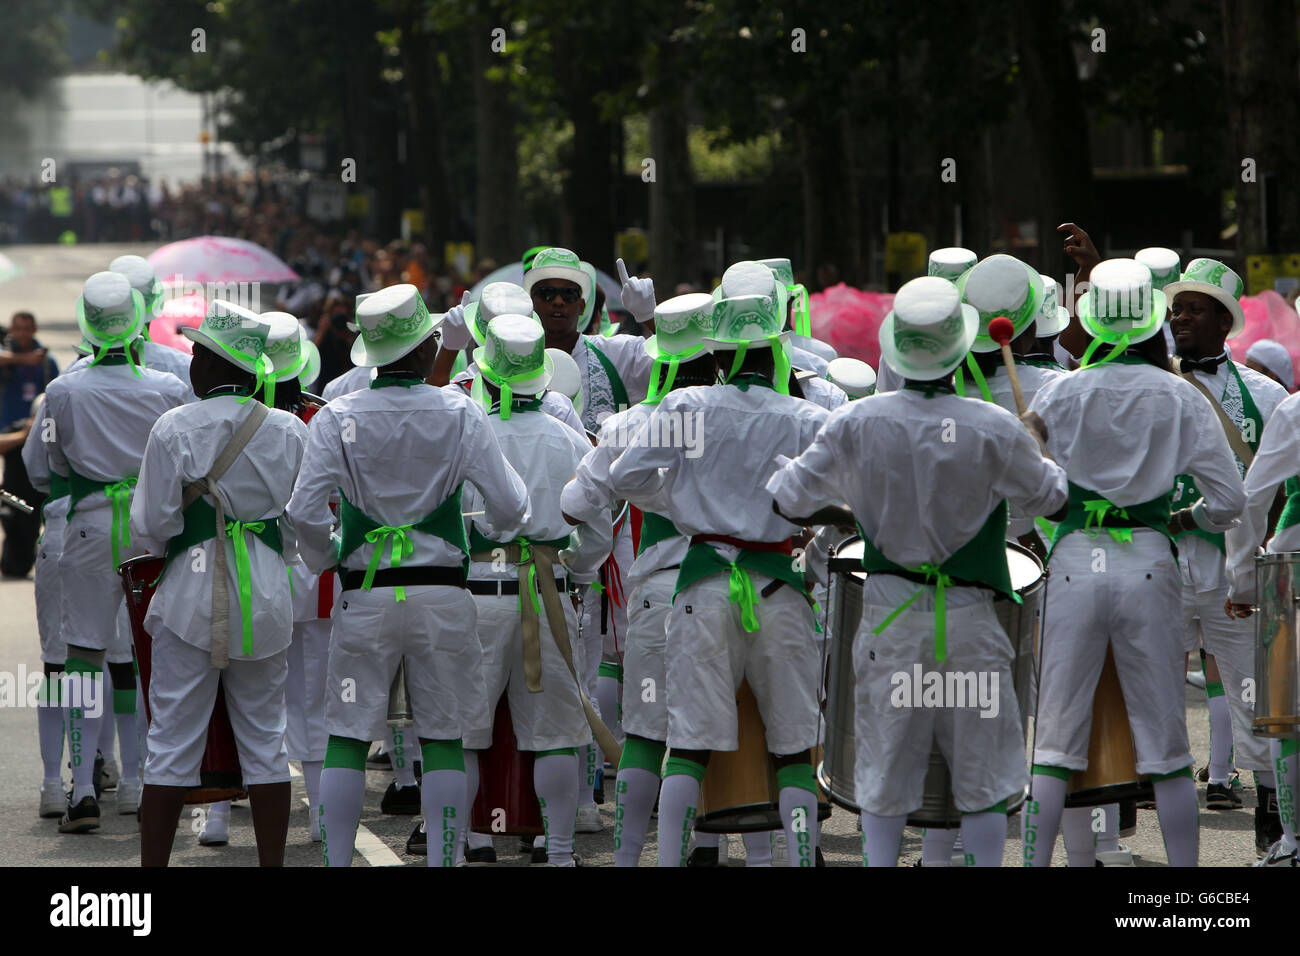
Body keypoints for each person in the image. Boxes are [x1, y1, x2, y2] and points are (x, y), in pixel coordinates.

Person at [770, 275, 1067, 866]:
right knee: (983, 783)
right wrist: (1034, 442)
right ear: (961, 348)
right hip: (973, 622)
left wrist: (854, 512)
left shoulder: (857, 422)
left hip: (890, 619)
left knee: (884, 776)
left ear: (897, 350)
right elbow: (1053, 501)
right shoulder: (991, 424)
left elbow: (786, 498)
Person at [287, 283, 530, 867]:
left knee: (346, 732)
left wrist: (330, 554)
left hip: (364, 595)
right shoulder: (460, 410)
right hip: (443, 594)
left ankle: (338, 861)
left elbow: (301, 511)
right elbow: (510, 508)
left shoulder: (336, 415)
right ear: (425, 351)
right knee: (443, 734)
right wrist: (484, 533)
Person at [1022, 258, 1246, 867]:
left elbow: (1022, 488)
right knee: (1166, 743)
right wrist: (1179, 520)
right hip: (1150, 563)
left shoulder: (1058, 391)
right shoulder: (1179, 394)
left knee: (1055, 742)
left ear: (1092, 322)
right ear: (1153, 324)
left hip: (1071, 563)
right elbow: (1229, 502)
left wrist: (1056, 494)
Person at [609, 292, 829, 867]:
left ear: (718, 350)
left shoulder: (685, 406)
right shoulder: (805, 416)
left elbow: (622, 474)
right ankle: (802, 859)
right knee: (793, 747)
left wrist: (680, 503)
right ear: (776, 347)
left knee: (687, 743)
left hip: (702, 586)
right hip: (779, 586)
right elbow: (850, 495)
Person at [131, 304, 306, 866]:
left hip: (188, 595)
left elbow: (151, 526)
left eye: (195, 352)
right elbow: (301, 525)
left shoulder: (174, 426)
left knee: (171, 745)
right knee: (266, 744)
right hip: (267, 597)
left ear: (206, 361)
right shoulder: (286, 428)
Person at [460, 314, 612, 866]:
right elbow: (598, 530)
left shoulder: (472, 432)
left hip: (479, 592)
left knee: (465, 733)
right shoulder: (572, 439)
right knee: (554, 733)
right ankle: (561, 850)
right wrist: (575, 572)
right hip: (549, 593)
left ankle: (469, 844)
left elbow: (455, 522)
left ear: (492, 377)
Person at [44, 273, 191, 834]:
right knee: (148, 653)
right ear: (137, 321)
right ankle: (143, 779)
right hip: (146, 527)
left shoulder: (62, 390)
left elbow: (54, 465)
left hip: (86, 526)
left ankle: (82, 787)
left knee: (83, 654)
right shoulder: (167, 388)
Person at [1165, 258, 1285, 850]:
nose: (1180, 317)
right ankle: (1121, 822)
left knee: (1250, 692)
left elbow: (1282, 478)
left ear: (1222, 320)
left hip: (1233, 566)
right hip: (1159, 561)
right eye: (1175, 307)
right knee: (1147, 691)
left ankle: (1271, 812)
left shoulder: (1263, 393)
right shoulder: (1156, 379)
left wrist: (1266, 547)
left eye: (1193, 308)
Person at [1224, 384, 1300, 866]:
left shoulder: (1295, 408)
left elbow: (1251, 498)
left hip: (1294, 566)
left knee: (1289, 714)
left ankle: (1293, 843)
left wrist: (1243, 580)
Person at [0, 310, 57, 577]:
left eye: (27, 328)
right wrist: (24, 359)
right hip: (10, 438)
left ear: (34, 330)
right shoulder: (7, 357)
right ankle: (14, 558)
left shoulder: (47, 363)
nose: (21, 334)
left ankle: (28, 556)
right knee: (12, 506)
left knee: (34, 500)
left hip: (39, 437)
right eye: (17, 328)